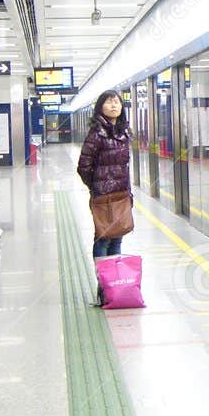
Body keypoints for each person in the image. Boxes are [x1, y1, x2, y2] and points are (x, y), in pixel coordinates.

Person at [77, 89, 133, 277]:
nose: (114, 105)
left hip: (121, 195)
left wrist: (128, 192)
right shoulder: (96, 134)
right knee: (103, 239)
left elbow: (124, 167)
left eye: (117, 101)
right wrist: (96, 187)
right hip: (103, 197)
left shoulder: (124, 133)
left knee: (117, 238)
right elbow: (83, 166)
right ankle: (103, 283)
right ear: (100, 107)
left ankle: (114, 281)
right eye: (109, 102)